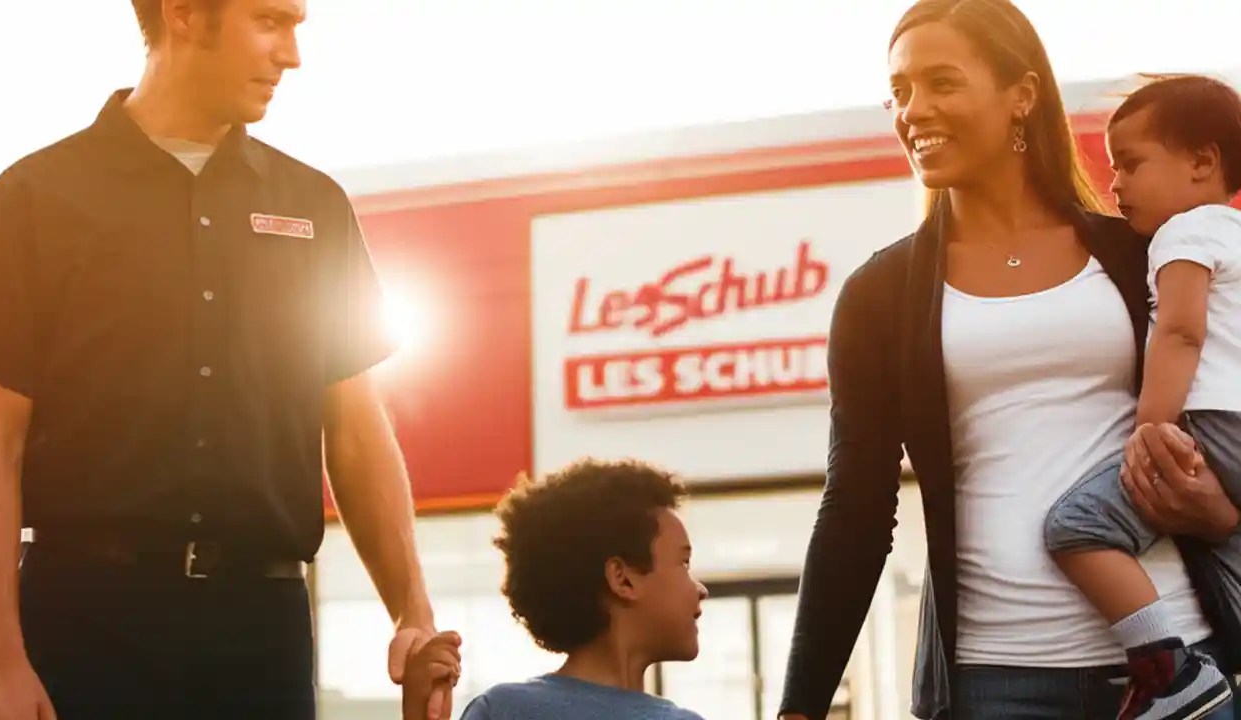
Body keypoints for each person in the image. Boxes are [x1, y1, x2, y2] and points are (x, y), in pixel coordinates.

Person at [0, 1, 451, 718]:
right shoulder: (34, 198)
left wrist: (414, 612)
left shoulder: (314, 205)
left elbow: (353, 428)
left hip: (262, 631)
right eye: (270, 22)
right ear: (186, 14)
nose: (292, 55)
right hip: (84, 626)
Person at [777, 1, 1241, 719]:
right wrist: (800, 704)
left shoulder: (1141, 252)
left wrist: (1225, 515)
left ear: (1021, 95)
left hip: (1184, 665)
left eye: (941, 83)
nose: (914, 110)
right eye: (899, 92)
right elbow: (856, 508)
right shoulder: (881, 294)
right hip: (997, 679)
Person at [1044, 74, 1241, 719]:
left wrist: (1150, 427)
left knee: (1076, 525)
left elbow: (1181, 331)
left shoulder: (1184, 234)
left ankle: (1170, 670)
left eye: (1130, 164)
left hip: (1213, 425)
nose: (1115, 184)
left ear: (1202, 163)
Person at [454, 459, 708, 720]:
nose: (701, 590)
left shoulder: (502, 710)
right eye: (684, 564)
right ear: (623, 580)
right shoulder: (504, 712)